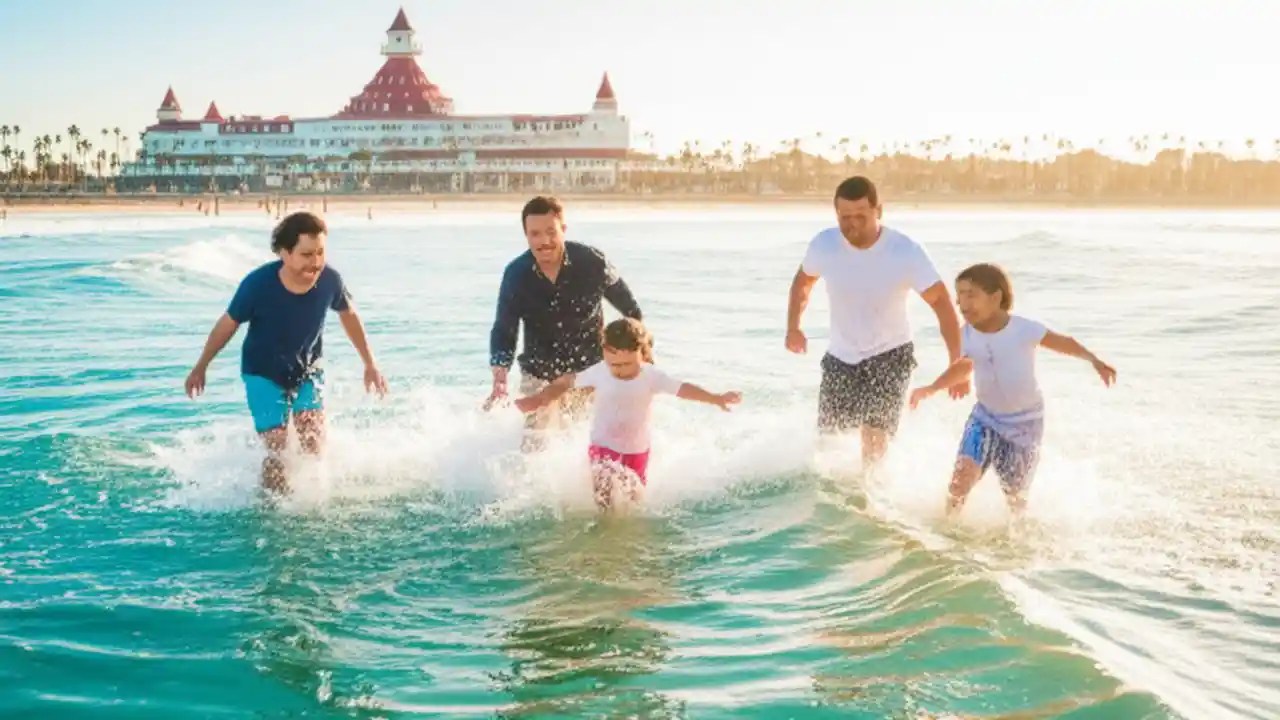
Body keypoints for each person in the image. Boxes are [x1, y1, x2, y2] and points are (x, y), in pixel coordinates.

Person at [184, 211, 388, 494]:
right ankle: (273, 507)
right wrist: (201, 366)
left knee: (314, 440)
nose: (315, 262)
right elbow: (227, 324)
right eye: (306, 254)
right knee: (277, 448)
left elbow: (349, 315)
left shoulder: (330, 281)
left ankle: (314, 496)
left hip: (307, 369)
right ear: (284, 253)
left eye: (320, 253)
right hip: (262, 373)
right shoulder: (257, 285)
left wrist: (370, 364)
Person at [909, 263, 1116, 516]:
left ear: (996, 297)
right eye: (959, 295)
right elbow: (963, 367)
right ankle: (947, 532)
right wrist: (932, 388)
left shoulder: (1023, 329)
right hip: (985, 417)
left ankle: (1013, 548)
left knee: (1015, 498)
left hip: (1025, 424)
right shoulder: (966, 335)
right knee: (960, 480)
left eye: (971, 294)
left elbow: (1064, 343)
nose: (963, 303)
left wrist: (1094, 360)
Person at [786, 176, 965, 467]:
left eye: (861, 215)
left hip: (890, 355)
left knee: (874, 439)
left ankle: (871, 501)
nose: (852, 224)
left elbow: (942, 304)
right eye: (845, 217)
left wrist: (956, 361)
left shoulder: (905, 251)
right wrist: (794, 326)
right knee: (828, 442)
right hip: (841, 357)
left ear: (878, 211)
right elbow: (803, 282)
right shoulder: (824, 244)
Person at [514, 318, 741, 509]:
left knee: (633, 502)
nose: (620, 370)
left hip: (637, 450)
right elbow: (565, 382)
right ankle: (604, 535)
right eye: (614, 364)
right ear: (604, 354)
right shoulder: (599, 371)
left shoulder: (652, 376)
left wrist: (716, 398)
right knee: (603, 495)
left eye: (627, 364)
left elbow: (683, 389)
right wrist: (540, 398)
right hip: (602, 445)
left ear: (641, 353)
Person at [487, 195, 644, 451]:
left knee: (590, 442)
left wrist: (635, 358)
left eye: (551, 231)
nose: (544, 241)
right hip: (539, 374)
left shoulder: (594, 262)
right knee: (533, 448)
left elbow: (631, 311)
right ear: (526, 235)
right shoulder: (516, 274)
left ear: (563, 229)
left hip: (589, 370)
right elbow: (505, 328)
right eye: (535, 234)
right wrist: (499, 376)